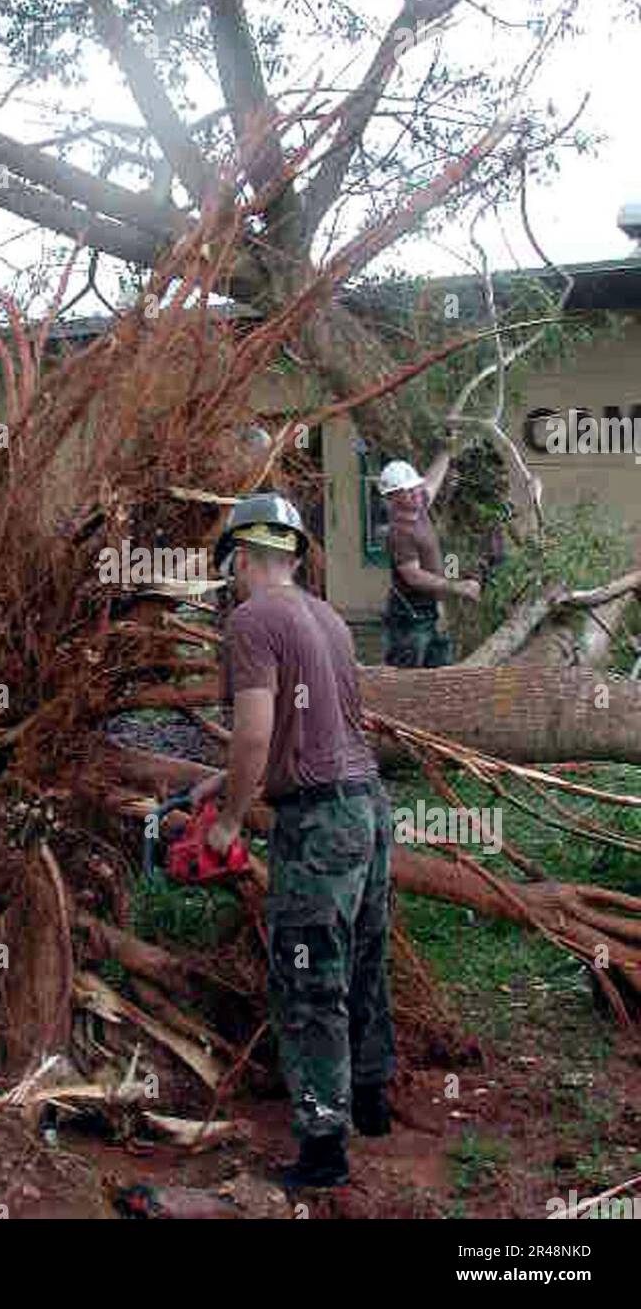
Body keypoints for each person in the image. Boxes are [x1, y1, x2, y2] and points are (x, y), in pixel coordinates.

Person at [192, 492, 395, 1192]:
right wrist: (214, 786)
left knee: (310, 982)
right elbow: (313, 728)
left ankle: (321, 1152)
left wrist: (226, 823)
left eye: (232, 569)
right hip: (367, 807)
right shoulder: (329, 618)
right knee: (363, 960)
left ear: (241, 559)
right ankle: (369, 1102)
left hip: (317, 822)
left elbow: (254, 732)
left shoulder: (251, 619)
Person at [378, 429, 480, 668]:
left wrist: (446, 449)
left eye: (415, 487)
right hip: (409, 619)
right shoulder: (399, 531)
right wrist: (457, 587)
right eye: (408, 491)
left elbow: (432, 481)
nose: (416, 493)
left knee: (438, 674)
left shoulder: (418, 505)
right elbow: (413, 575)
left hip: (430, 611)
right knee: (407, 679)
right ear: (392, 497)